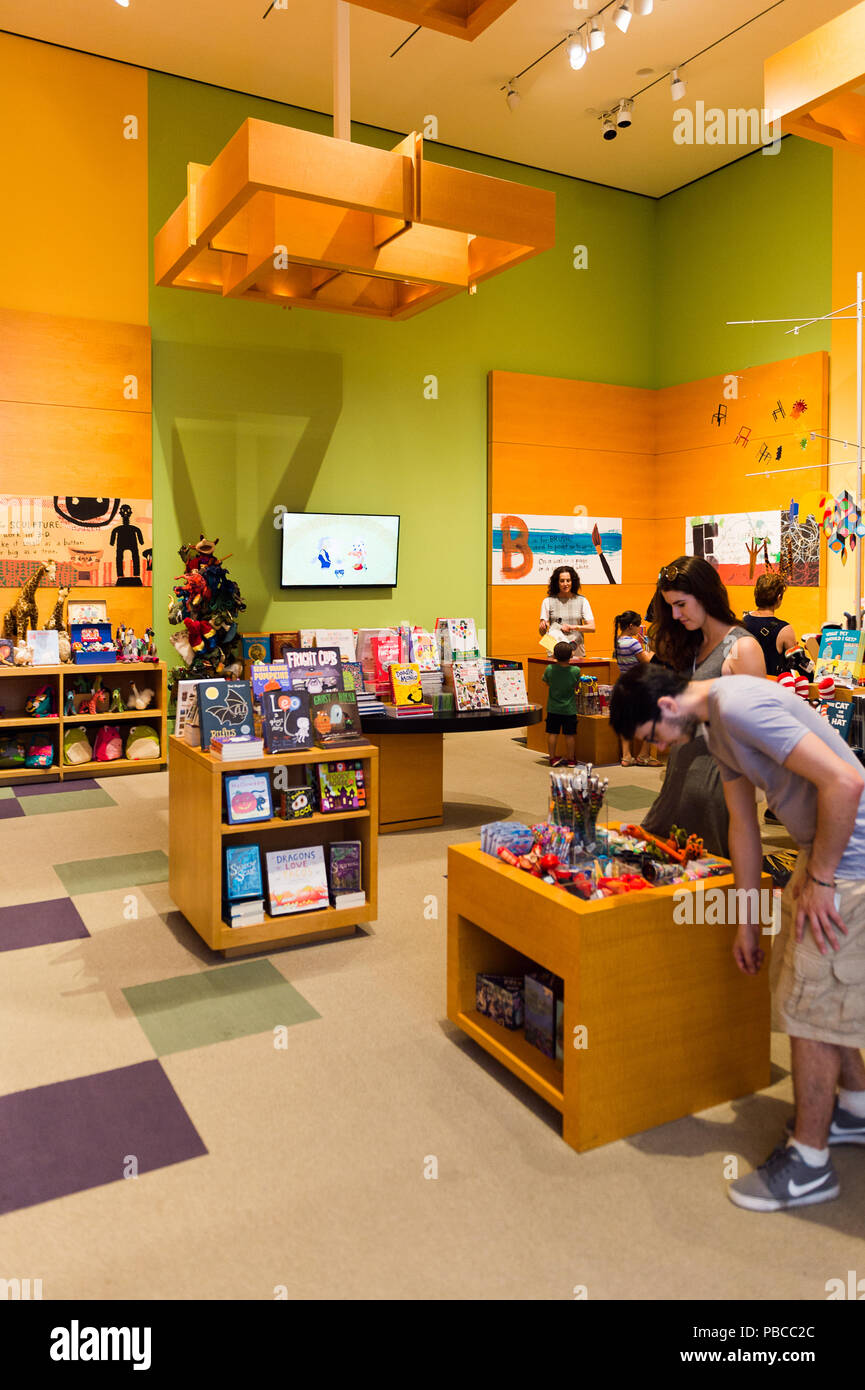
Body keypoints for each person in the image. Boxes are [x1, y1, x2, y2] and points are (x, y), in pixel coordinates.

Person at [609, 663, 865, 1213]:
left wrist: (821, 877)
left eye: (651, 737)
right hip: (823, 852)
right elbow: (743, 826)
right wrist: (746, 919)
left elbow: (846, 781)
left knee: (810, 1007)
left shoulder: (738, 706)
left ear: (667, 707)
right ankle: (854, 1108)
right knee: (805, 986)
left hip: (849, 863)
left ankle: (810, 1165)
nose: (656, 750)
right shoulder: (717, 727)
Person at [640, 556, 765, 856]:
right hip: (679, 779)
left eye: (681, 604)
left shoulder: (741, 647)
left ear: (705, 594)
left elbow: (756, 731)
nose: (675, 613)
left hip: (719, 787)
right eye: (670, 606)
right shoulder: (692, 644)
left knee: (717, 883)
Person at [612, 610, 660, 767]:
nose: (640, 629)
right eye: (638, 625)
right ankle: (644, 755)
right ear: (631, 626)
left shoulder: (617, 641)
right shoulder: (632, 642)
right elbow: (646, 661)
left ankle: (626, 756)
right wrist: (654, 649)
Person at [742, 573, 797, 676]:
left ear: (756, 594)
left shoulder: (742, 622)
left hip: (745, 685)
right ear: (779, 597)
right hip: (771, 686)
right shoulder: (784, 629)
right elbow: (798, 664)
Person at [539, 566, 595, 660]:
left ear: (573, 582)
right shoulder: (547, 601)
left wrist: (573, 627)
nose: (565, 584)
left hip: (577, 652)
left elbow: (592, 628)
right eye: (562, 581)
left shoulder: (582, 600)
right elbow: (542, 633)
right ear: (557, 583)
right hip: (554, 653)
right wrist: (542, 627)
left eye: (568, 580)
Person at [543, 640, 580, 767]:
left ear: (554, 656)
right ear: (571, 655)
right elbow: (576, 685)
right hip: (569, 709)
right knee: (570, 735)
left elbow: (546, 682)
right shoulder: (575, 670)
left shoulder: (549, 669)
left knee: (552, 733)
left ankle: (552, 758)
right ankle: (571, 759)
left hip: (553, 708)